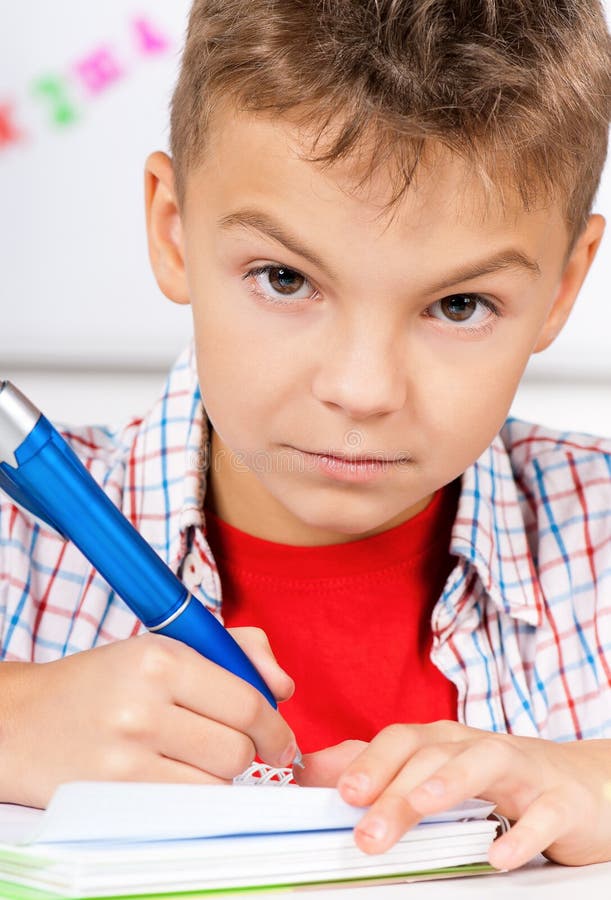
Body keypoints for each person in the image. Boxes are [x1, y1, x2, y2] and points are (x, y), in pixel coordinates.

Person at [1, 0, 610, 873]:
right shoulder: (18, 533)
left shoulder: (597, 529)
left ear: (562, 287)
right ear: (172, 228)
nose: (361, 390)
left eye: (458, 304)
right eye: (284, 279)